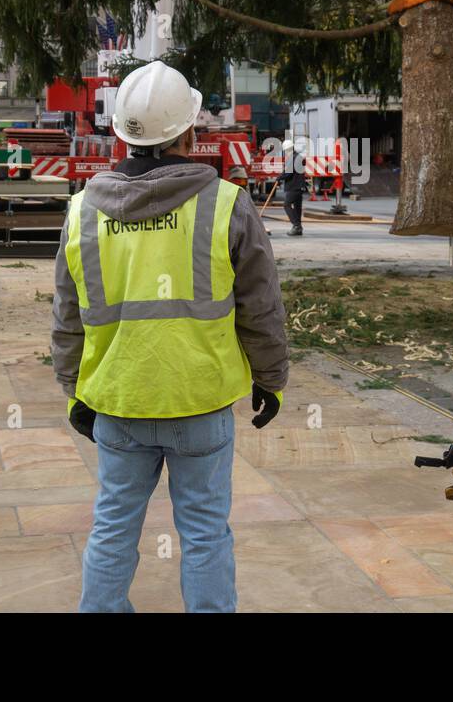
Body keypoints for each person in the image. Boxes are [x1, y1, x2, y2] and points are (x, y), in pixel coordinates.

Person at [52, 61, 289, 613]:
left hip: (119, 401)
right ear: (190, 132)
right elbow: (261, 307)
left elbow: (68, 316)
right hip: (199, 401)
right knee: (205, 533)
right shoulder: (226, 204)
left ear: (120, 133)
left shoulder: (83, 211)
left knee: (112, 529)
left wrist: (74, 390)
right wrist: (270, 380)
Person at [279, 138, 307, 236]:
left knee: (287, 205)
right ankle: (298, 228)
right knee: (297, 208)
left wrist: (279, 178)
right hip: (299, 187)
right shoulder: (297, 157)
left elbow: (288, 173)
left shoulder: (292, 158)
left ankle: (296, 226)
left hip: (294, 186)